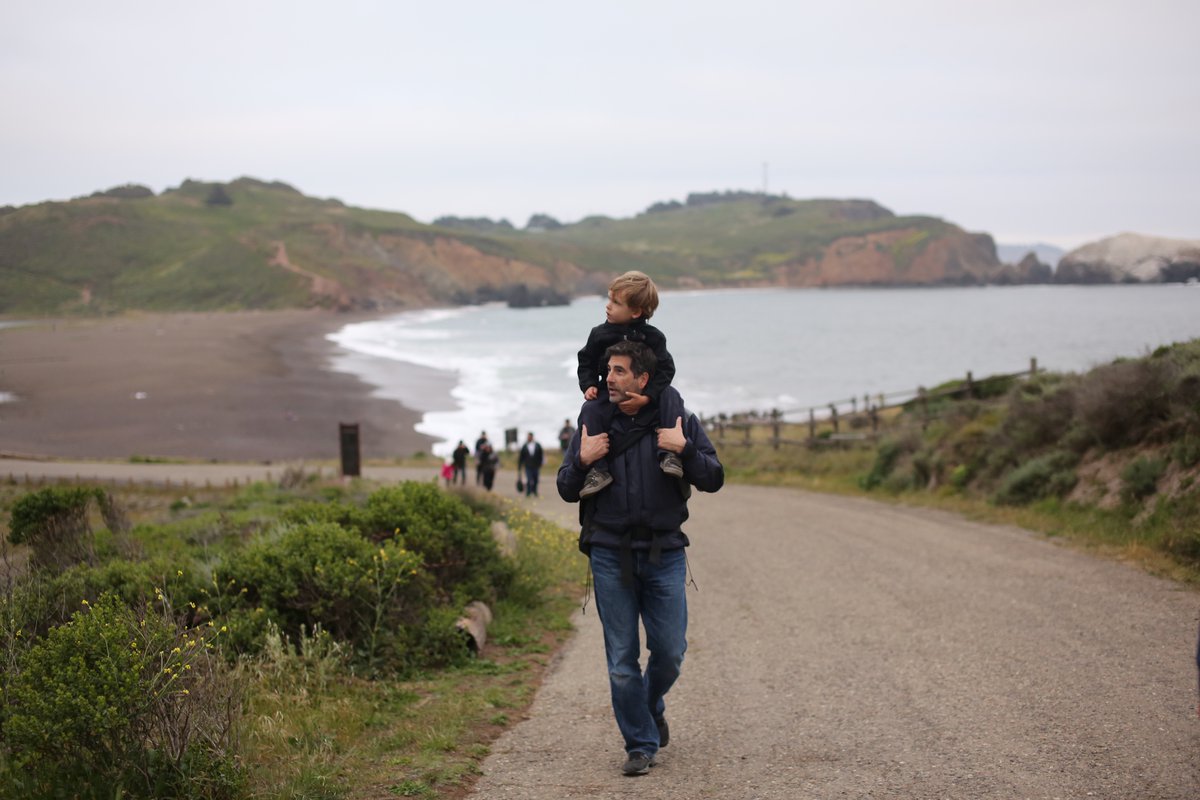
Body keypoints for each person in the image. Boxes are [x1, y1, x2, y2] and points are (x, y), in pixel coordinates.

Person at [557, 340, 724, 777]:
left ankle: (649, 708)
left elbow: (714, 477)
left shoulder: (676, 420)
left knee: (670, 651)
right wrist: (581, 459)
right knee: (622, 660)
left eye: (618, 371)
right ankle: (640, 743)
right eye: (607, 370)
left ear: (642, 378)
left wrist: (685, 449)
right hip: (609, 554)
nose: (608, 378)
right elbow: (565, 486)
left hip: (664, 551)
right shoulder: (594, 421)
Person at [575, 271, 688, 500]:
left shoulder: (653, 338)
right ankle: (599, 470)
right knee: (590, 409)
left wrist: (648, 397)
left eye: (616, 302)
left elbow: (667, 369)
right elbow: (585, 361)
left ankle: (669, 455)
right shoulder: (599, 334)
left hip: (646, 394)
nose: (608, 306)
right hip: (610, 393)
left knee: (671, 396)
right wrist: (588, 385)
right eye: (609, 299)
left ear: (636, 311)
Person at [517, 432, 544, 496]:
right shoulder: (524, 446)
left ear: (532, 437)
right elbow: (521, 456)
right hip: (527, 466)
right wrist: (519, 465)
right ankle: (528, 492)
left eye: (529, 437)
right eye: (528, 437)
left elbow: (541, 455)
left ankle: (534, 491)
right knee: (528, 479)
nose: (528, 438)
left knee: (536, 479)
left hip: (536, 466)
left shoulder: (538, 445)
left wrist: (540, 463)